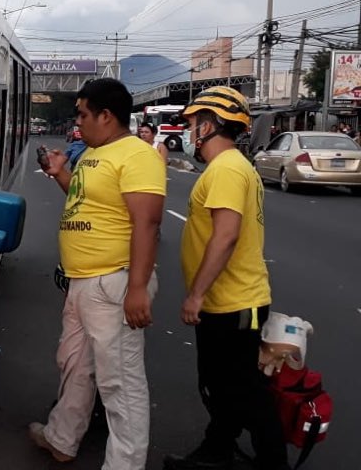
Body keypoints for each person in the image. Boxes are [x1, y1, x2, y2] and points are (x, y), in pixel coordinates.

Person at [30, 78, 166, 470]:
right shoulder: (93, 153)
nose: (78, 122)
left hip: (114, 283)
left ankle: (124, 465)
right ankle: (61, 438)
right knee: (74, 365)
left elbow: (148, 223)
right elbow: (86, 203)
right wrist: (59, 173)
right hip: (83, 281)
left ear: (106, 116)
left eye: (83, 113)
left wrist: (137, 288)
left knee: (119, 384)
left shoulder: (136, 155)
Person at [163, 86, 288, 470]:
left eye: (192, 123)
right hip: (231, 301)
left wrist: (196, 295)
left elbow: (226, 234)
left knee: (247, 391)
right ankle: (217, 448)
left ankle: (272, 463)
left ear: (210, 125)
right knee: (223, 385)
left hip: (234, 302)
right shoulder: (231, 167)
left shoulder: (228, 169)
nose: (187, 131)